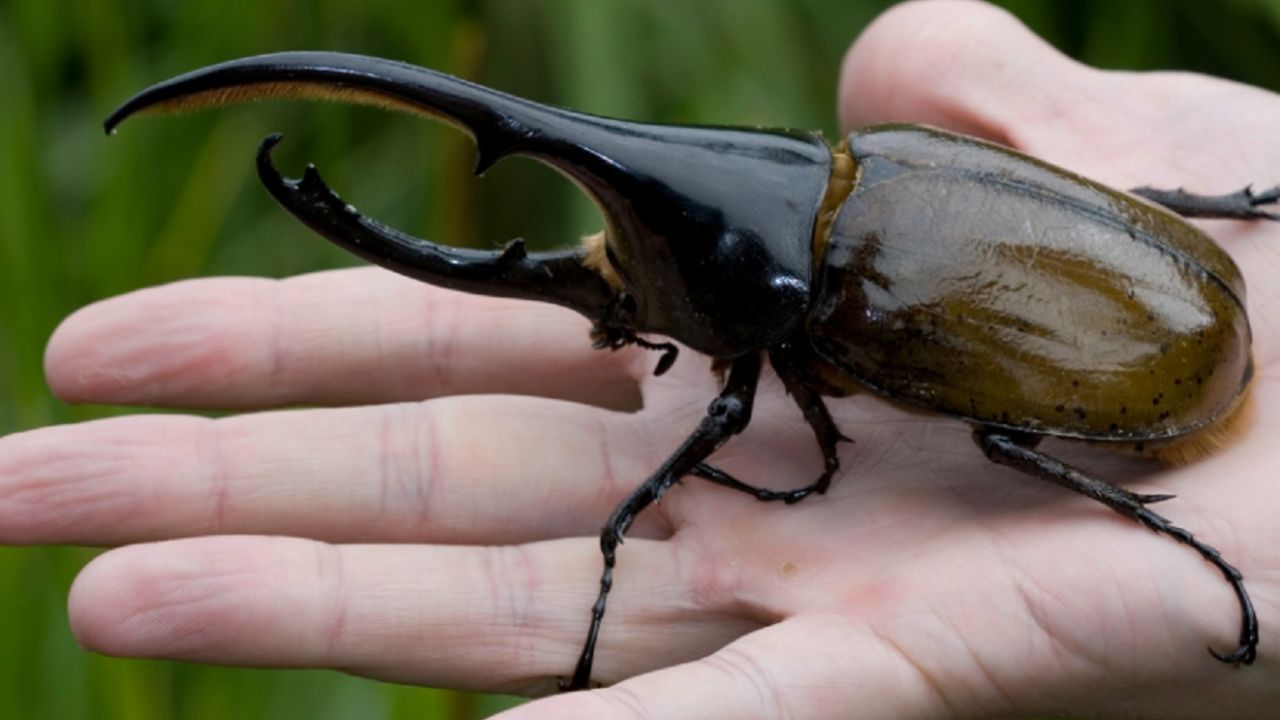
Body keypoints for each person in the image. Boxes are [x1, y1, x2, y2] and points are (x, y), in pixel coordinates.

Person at [3, 2, 1277, 717]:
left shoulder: (834, 312)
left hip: (1161, 377)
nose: (611, 299)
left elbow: (734, 417)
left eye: (630, 291)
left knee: (1001, 438)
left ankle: (1162, 514)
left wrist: (621, 525)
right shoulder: (878, 163)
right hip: (1177, 264)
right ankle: (1241, 205)